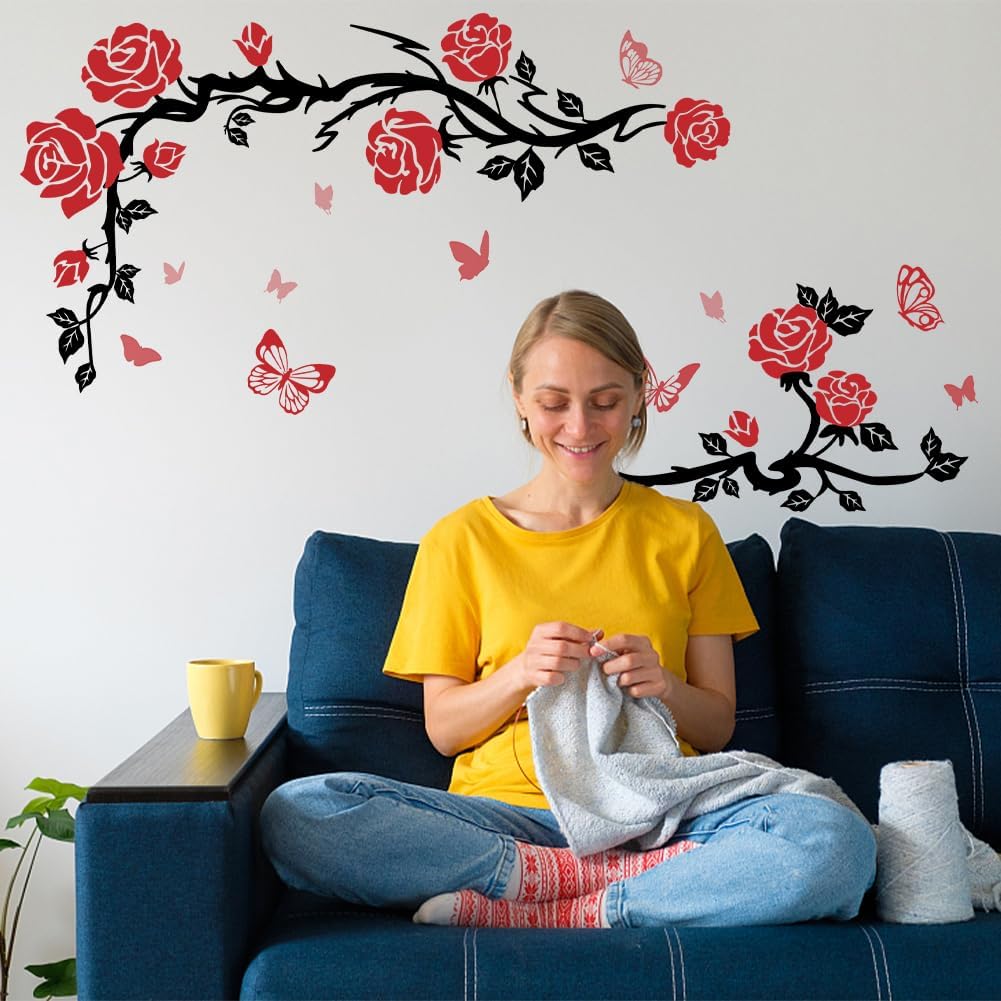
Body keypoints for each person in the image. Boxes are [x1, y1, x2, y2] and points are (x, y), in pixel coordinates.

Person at [261, 289, 876, 928]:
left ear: (640, 393)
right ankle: (594, 882)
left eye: (605, 401)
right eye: (554, 403)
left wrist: (664, 685)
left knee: (836, 840)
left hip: (660, 812)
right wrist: (521, 673)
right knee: (299, 813)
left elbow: (717, 726)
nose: (579, 428)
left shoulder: (687, 533)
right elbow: (445, 729)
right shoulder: (461, 540)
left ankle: (566, 905)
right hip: (510, 821)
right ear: (521, 398)